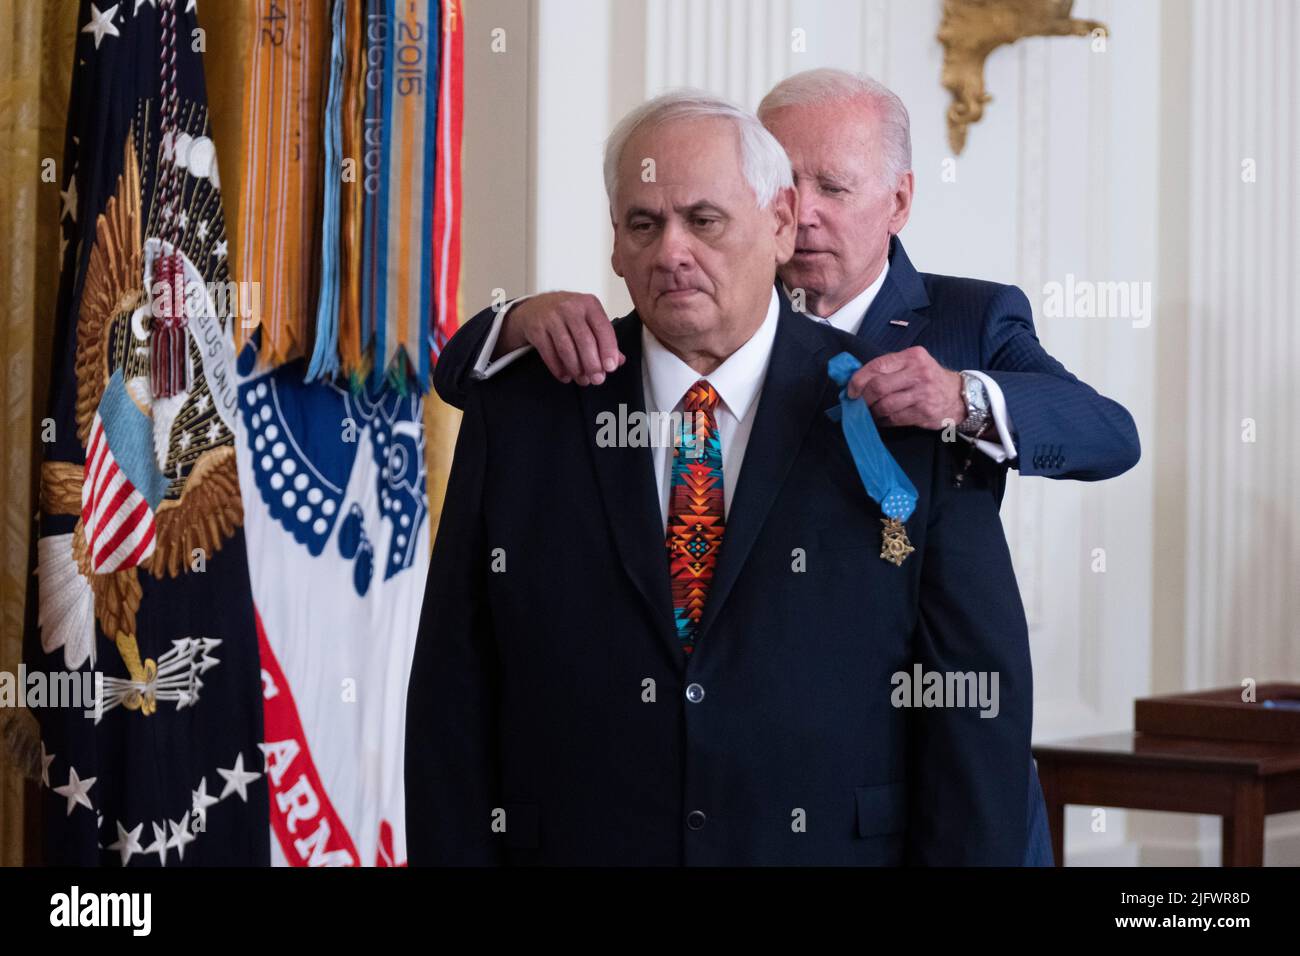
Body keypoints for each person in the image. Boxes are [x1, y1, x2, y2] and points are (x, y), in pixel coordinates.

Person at [427, 70, 1142, 866]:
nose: (674, 252)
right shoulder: (544, 394)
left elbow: (1107, 435)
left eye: (831, 186)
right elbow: (454, 689)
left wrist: (963, 397)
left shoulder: (943, 363)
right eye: (644, 223)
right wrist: (512, 320)